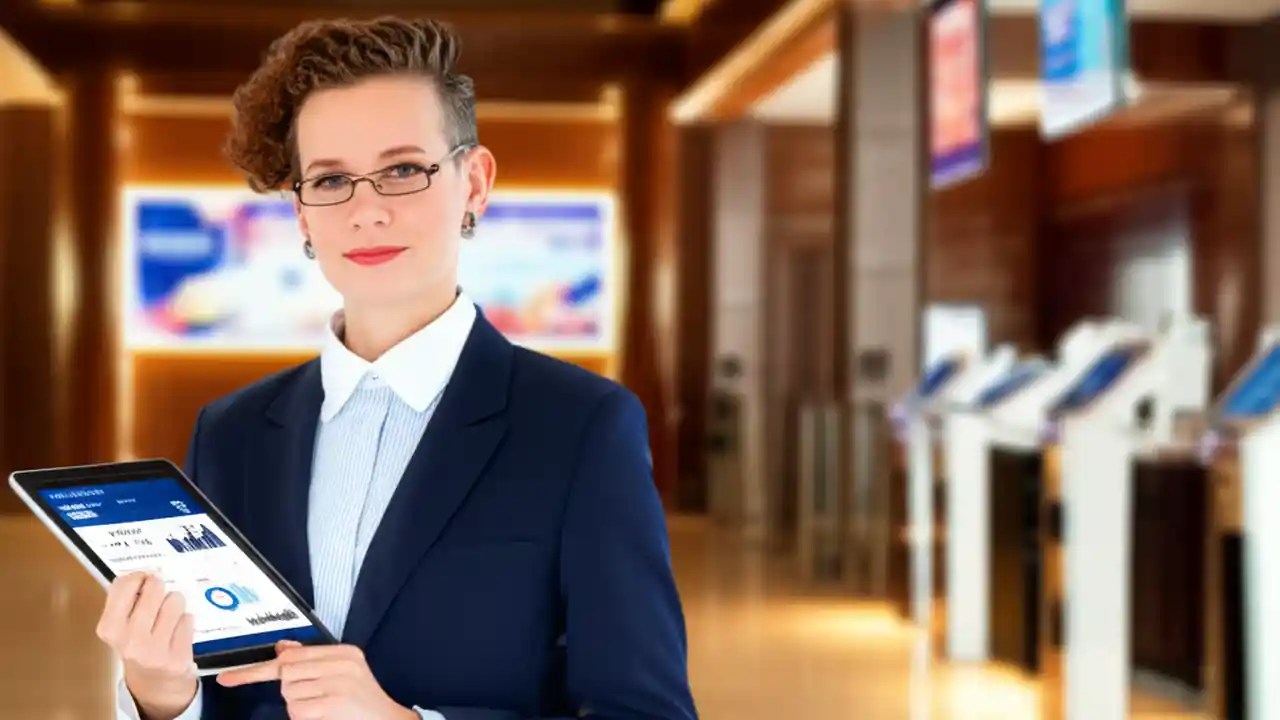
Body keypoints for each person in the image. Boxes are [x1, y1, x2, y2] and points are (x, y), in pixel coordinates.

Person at [94, 16, 698, 720]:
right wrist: (161, 693)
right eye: (331, 180)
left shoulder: (580, 427)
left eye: (404, 170)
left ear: (474, 182)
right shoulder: (231, 433)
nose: (366, 210)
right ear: (300, 213)